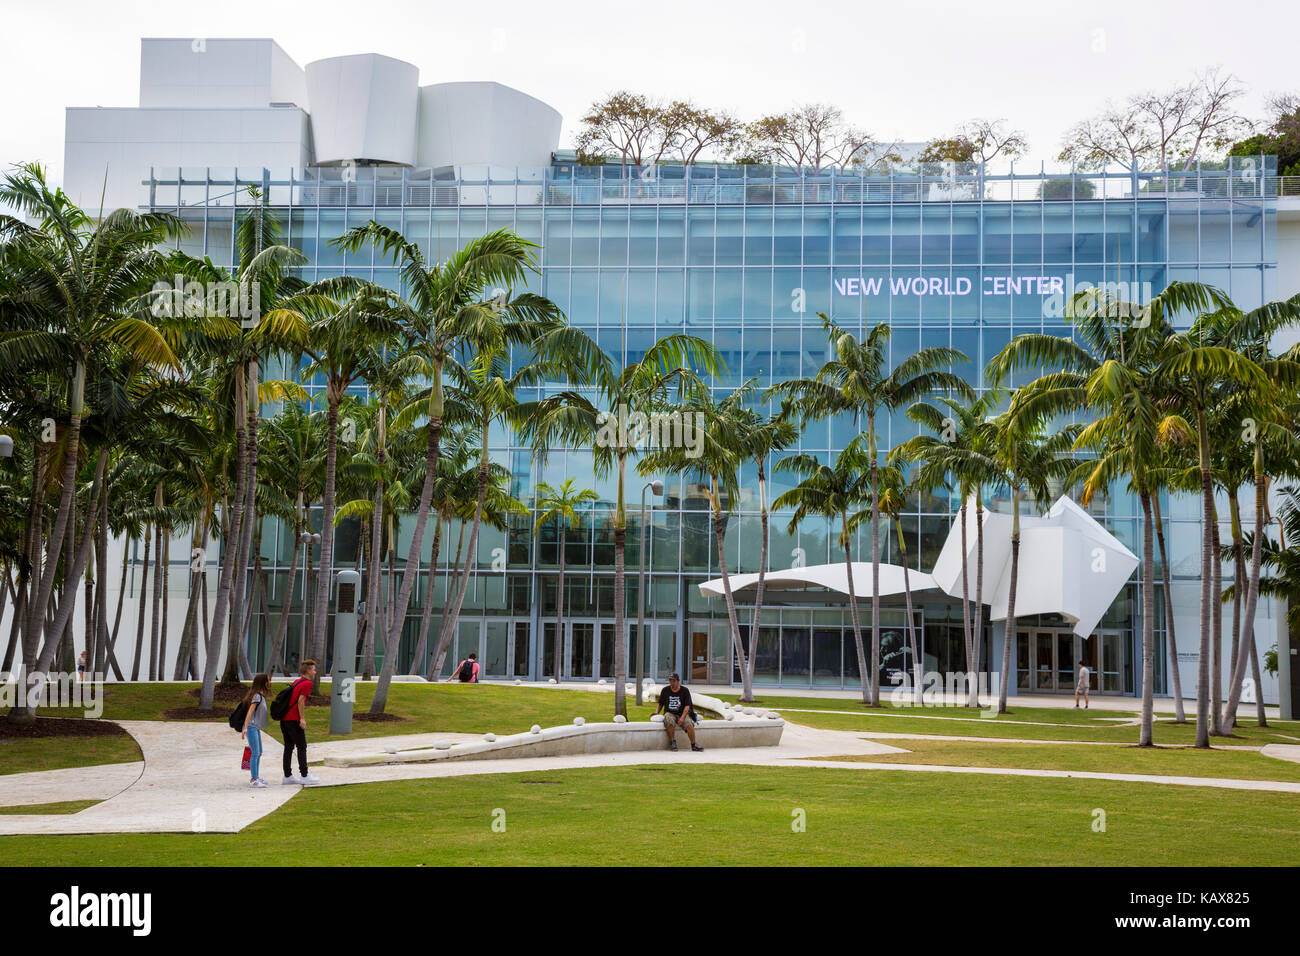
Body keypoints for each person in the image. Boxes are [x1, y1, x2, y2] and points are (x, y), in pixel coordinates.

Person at [281, 660, 320, 785]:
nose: (315, 672)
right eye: (313, 669)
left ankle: (287, 776)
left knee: (288, 747)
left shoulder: (297, 681)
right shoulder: (307, 683)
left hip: (285, 719)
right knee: (301, 747)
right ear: (308, 671)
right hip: (293, 719)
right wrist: (302, 718)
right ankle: (304, 775)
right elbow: (300, 701)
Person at [655, 672, 703, 752]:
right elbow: (661, 703)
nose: (671, 683)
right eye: (670, 680)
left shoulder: (685, 690)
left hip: (682, 713)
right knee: (668, 720)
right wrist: (657, 713)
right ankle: (673, 742)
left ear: (678, 681)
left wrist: (682, 718)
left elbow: (687, 706)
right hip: (669, 712)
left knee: (688, 723)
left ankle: (693, 744)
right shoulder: (665, 690)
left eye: (673, 681)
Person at [241, 673, 272, 788]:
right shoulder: (257, 696)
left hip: (255, 727)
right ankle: (254, 779)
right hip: (251, 727)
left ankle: (256, 777)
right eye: (268, 680)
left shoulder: (260, 695)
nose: (270, 682)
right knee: (255, 753)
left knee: (259, 752)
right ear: (263, 682)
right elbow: (250, 712)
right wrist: (245, 728)